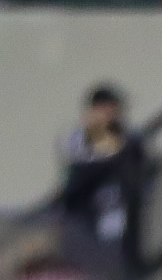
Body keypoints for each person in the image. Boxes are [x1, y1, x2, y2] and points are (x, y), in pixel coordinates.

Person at [57, 85, 146, 269]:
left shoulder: (128, 138)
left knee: (121, 260)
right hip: (92, 217)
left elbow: (140, 165)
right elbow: (80, 174)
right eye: (108, 109)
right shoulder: (79, 140)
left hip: (119, 213)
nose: (113, 115)